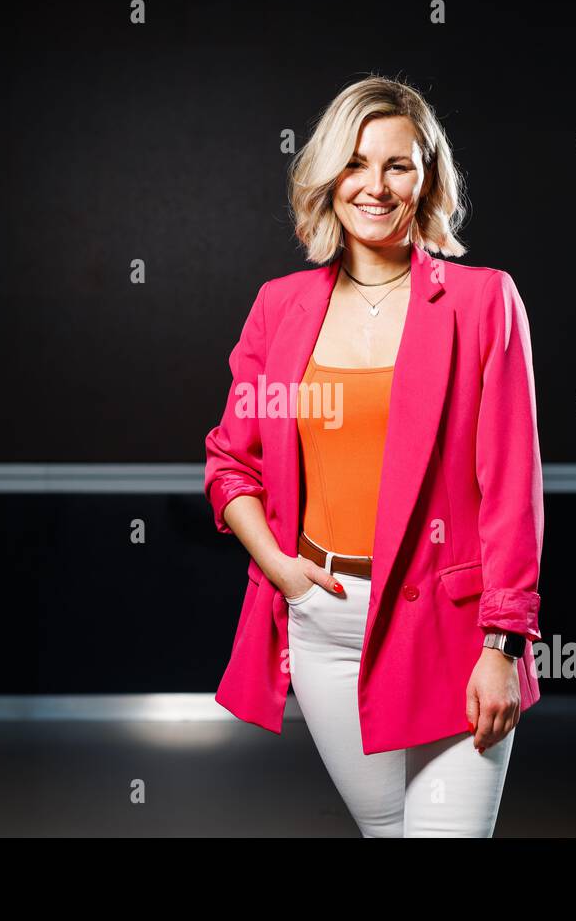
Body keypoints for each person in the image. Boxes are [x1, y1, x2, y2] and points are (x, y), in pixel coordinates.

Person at [204, 74, 545, 837]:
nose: (376, 185)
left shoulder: (483, 301)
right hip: (324, 623)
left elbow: (511, 488)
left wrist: (503, 642)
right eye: (357, 163)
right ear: (329, 176)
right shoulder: (280, 308)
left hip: (456, 633)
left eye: (399, 164)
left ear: (427, 178)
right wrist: (283, 571)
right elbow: (232, 463)